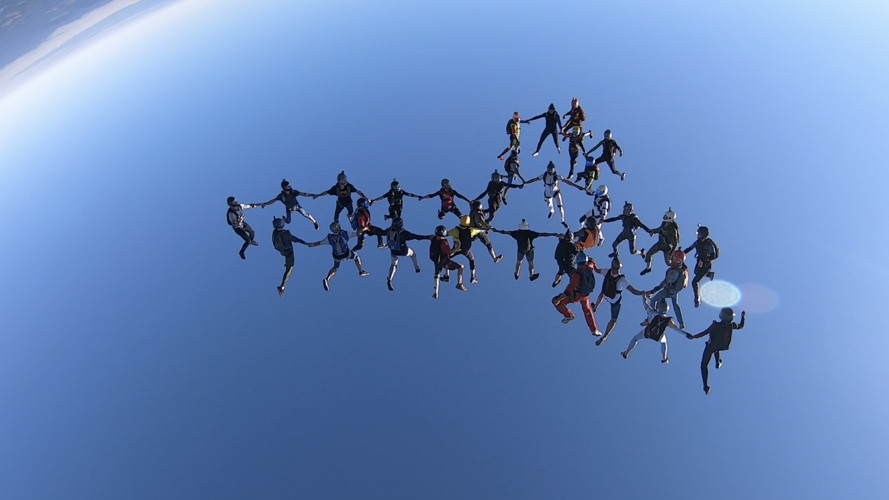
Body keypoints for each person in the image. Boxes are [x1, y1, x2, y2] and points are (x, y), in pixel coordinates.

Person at [686, 308, 746, 395]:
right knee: (716, 349)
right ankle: (717, 362)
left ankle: (705, 386)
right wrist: (742, 317)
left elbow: (704, 333)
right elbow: (741, 326)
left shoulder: (716, 326)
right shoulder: (731, 325)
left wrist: (693, 337)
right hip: (722, 346)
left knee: (703, 366)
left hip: (712, 346)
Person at [592, 258, 646, 346]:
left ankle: (596, 306)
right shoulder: (621, 280)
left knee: (602, 293)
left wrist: (593, 263)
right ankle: (605, 336)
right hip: (615, 301)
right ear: (619, 268)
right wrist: (643, 293)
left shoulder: (607, 271)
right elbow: (634, 291)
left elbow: (597, 270)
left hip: (605, 294)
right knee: (613, 319)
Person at [621, 297, 690, 364]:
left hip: (647, 333)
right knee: (664, 343)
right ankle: (664, 358)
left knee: (635, 339)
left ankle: (626, 353)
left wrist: (643, 295)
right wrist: (686, 334)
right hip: (658, 336)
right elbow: (676, 329)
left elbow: (645, 304)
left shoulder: (653, 313)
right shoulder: (668, 320)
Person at [306, 221, 369, 291]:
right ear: (338, 228)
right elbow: (358, 233)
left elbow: (317, 243)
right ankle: (360, 271)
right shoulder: (344, 233)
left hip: (336, 255)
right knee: (356, 257)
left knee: (335, 267)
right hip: (346, 253)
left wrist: (309, 244)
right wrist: (365, 228)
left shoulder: (329, 238)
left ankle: (327, 279)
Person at [491, 219, 560, 281]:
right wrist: (553, 234)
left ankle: (517, 274)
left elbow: (506, 232)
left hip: (521, 250)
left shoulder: (517, 233)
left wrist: (496, 230)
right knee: (530, 263)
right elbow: (542, 234)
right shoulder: (530, 233)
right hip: (529, 250)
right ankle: (531, 275)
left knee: (519, 262)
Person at [552, 253, 602, 336]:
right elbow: (592, 262)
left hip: (577, 295)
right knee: (587, 310)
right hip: (585, 295)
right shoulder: (589, 267)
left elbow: (569, 290)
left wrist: (559, 299)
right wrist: (589, 259)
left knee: (555, 301)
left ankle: (569, 315)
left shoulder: (577, 274)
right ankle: (594, 330)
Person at [523, 161, 584, 228]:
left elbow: (567, 182)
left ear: (554, 169)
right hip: (548, 193)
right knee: (549, 205)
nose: (550, 171)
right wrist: (526, 183)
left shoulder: (557, 176)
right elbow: (535, 179)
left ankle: (562, 220)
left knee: (560, 207)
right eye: (549, 169)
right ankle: (552, 211)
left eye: (551, 169)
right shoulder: (544, 175)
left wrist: (576, 186)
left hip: (555, 192)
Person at [384, 217, 429, 291]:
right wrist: (427, 237)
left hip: (393, 251)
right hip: (402, 251)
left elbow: (381, 232)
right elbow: (416, 237)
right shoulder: (403, 233)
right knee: (413, 254)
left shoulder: (388, 230)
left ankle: (390, 279)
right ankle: (417, 268)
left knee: (393, 265)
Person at [648, 250, 689, 329]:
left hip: (669, 290)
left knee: (653, 300)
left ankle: (651, 318)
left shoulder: (673, 272)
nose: (671, 258)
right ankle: (681, 323)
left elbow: (665, 282)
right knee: (675, 305)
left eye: (673, 257)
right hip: (675, 291)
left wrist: (654, 290)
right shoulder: (682, 269)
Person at [683, 225, 720, 307]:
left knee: (695, 282)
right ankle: (709, 274)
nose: (697, 235)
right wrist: (682, 253)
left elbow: (713, 255)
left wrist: (705, 261)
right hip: (700, 262)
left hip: (706, 265)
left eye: (699, 233)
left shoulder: (708, 244)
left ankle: (697, 298)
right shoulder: (697, 242)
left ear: (703, 234)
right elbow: (690, 248)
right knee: (696, 271)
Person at [271, 217, 308, 297]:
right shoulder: (286, 234)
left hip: (283, 252)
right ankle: (282, 286)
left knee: (289, 267)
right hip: (288, 252)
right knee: (290, 269)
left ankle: (282, 286)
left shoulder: (274, 232)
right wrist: (306, 243)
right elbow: (296, 239)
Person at [429, 225, 468, 298]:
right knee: (461, 267)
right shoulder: (444, 242)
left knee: (437, 274)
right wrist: (457, 247)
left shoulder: (433, 239)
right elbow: (450, 252)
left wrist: (436, 292)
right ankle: (459, 284)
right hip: (444, 261)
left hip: (437, 261)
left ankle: (445, 278)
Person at [447, 215, 486, 285]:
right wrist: (485, 231)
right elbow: (480, 230)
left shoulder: (455, 230)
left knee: (446, 258)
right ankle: (473, 277)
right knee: (472, 260)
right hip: (466, 249)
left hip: (456, 249)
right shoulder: (471, 230)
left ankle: (446, 275)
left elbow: (446, 233)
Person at [641, 208, 680, 276]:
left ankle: (678, 266)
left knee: (668, 263)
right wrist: (653, 231)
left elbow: (675, 242)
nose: (664, 217)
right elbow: (660, 229)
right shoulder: (664, 223)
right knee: (649, 254)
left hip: (667, 248)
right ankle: (648, 268)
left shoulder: (673, 230)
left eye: (666, 216)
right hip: (660, 243)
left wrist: (671, 253)